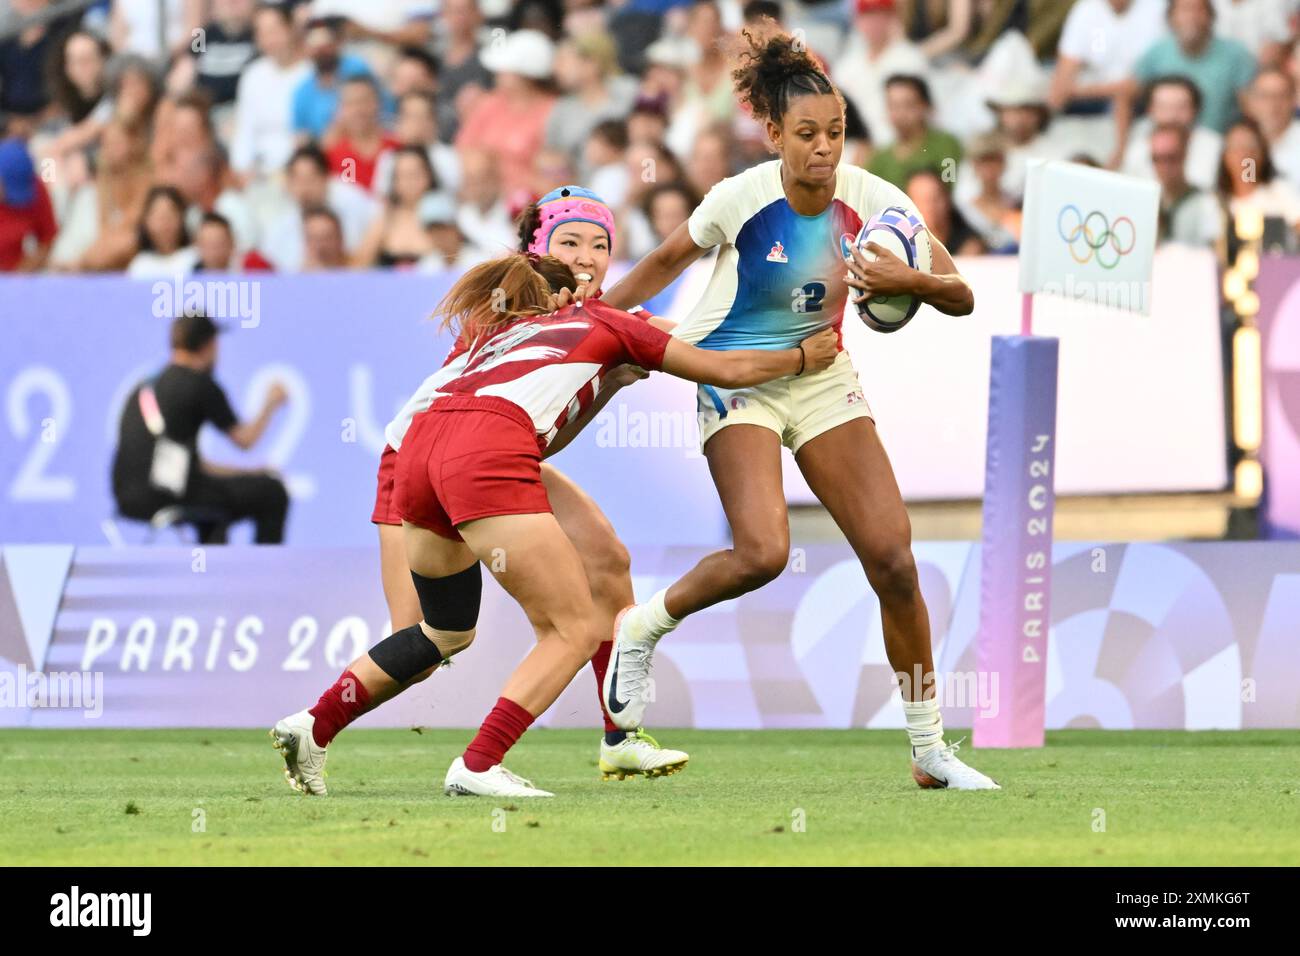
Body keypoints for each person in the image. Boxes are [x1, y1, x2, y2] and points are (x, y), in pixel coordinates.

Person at [272, 252, 838, 798]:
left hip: (415, 452)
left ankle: (313, 724)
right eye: (579, 258)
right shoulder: (607, 320)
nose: (592, 271)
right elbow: (723, 364)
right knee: (572, 625)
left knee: (442, 630)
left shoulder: (492, 334)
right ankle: (480, 763)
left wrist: (608, 380)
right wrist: (800, 358)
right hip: (486, 449)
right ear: (566, 290)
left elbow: (545, 431)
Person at [600, 22, 1000, 791]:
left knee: (894, 562)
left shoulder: (874, 201)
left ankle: (930, 751)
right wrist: (598, 329)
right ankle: (643, 626)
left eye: (838, 132)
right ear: (774, 133)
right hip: (733, 372)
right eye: (808, 133)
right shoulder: (739, 198)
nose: (825, 147)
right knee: (763, 553)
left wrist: (906, 281)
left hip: (821, 377)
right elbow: (661, 262)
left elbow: (960, 293)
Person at [274, 186, 708, 793]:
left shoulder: (587, 317)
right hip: (423, 455)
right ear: (537, 250)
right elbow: (682, 335)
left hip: (491, 450)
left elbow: (541, 435)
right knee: (429, 638)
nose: (588, 256)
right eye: (571, 241)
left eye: (601, 244)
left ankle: (620, 738)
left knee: (606, 558)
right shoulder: (515, 307)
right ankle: (319, 726)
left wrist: (610, 381)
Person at [112, 314, 290, 544]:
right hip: (169, 493)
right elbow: (245, 440)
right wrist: (271, 403)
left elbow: (193, 466)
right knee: (272, 493)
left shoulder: (145, 385)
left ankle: (211, 568)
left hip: (127, 497)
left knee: (212, 502)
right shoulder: (200, 385)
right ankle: (266, 574)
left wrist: (249, 473)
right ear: (209, 345)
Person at [866, 74, 964, 191]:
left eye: (908, 105)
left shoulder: (945, 144)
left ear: (925, 106)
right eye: (893, 106)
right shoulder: (880, 159)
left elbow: (950, 186)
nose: (900, 113)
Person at [1151, 124, 1224, 245]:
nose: (1164, 166)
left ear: (1185, 155)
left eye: (1171, 158)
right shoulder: (1149, 201)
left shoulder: (1206, 202)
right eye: (1157, 159)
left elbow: (1215, 252)